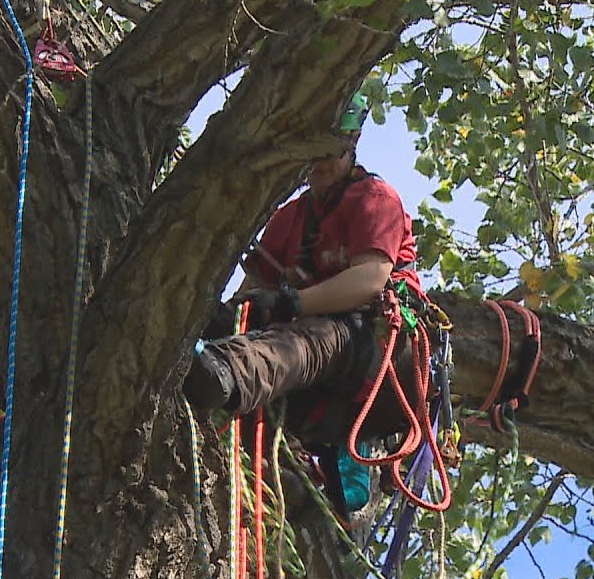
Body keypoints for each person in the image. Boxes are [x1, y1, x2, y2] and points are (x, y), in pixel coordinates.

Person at [184, 93, 432, 518]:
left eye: (329, 151)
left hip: (373, 347)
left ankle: (225, 373)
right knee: (238, 320)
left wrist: (292, 301)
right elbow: (251, 293)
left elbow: (369, 280)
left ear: (351, 144)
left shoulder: (374, 199)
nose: (319, 163)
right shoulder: (290, 217)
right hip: (313, 360)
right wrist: (232, 315)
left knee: (313, 338)